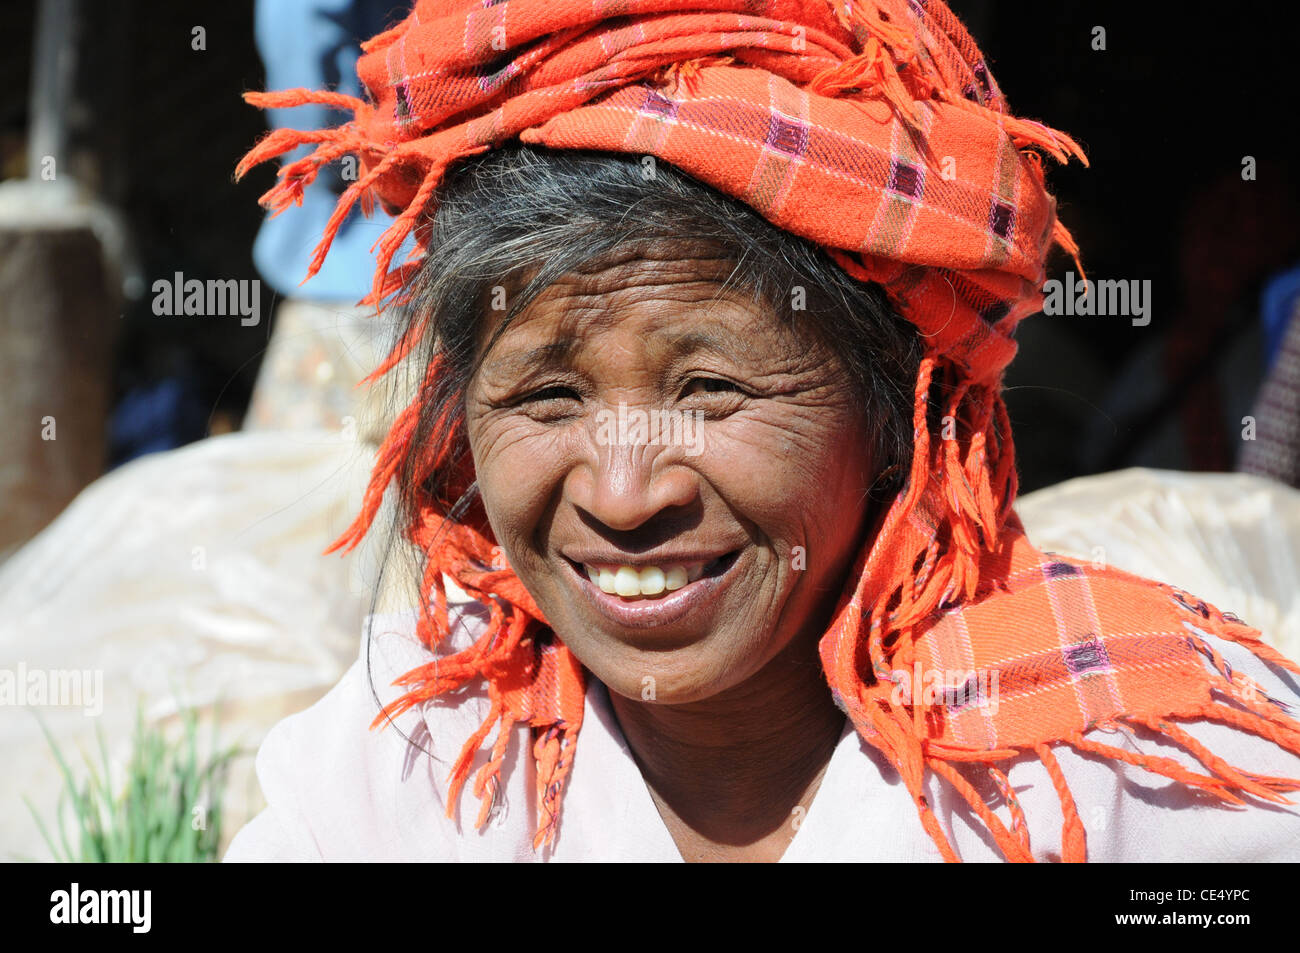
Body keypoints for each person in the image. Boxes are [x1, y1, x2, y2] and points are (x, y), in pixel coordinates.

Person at [224, 0, 1300, 862]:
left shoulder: (1130, 778)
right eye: (546, 395)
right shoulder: (408, 783)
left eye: (710, 388)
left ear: (899, 408)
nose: (623, 494)